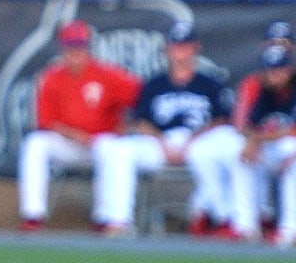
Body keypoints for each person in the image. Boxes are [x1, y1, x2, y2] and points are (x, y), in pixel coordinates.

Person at [92, 21, 237, 237]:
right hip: (162, 142)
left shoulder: (210, 84)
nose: (180, 52)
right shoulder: (154, 85)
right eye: (176, 46)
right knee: (120, 150)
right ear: (167, 49)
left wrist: (192, 141)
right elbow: (141, 122)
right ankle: (119, 221)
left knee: (228, 145)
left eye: (185, 46)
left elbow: (221, 120)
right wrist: (162, 143)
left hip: (200, 142)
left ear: (195, 47)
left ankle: (223, 218)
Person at [16, 19, 141, 232]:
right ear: (63, 49)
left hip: (100, 141)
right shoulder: (52, 77)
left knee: (114, 148)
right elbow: (47, 122)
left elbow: (143, 98)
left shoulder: (107, 74)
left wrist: (129, 126)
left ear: (88, 47)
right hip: (67, 143)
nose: (76, 52)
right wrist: (75, 135)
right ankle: (33, 215)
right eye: (71, 46)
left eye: (80, 46)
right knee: (35, 144)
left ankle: (106, 217)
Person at [228, 43, 296, 246]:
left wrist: (258, 139)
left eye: (279, 70)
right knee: (242, 155)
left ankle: (290, 230)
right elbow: (246, 125)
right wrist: (251, 141)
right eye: (270, 70)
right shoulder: (261, 88)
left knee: (291, 156)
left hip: (290, 150)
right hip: (272, 147)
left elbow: (289, 131)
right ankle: (246, 227)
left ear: (289, 69)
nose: (275, 75)